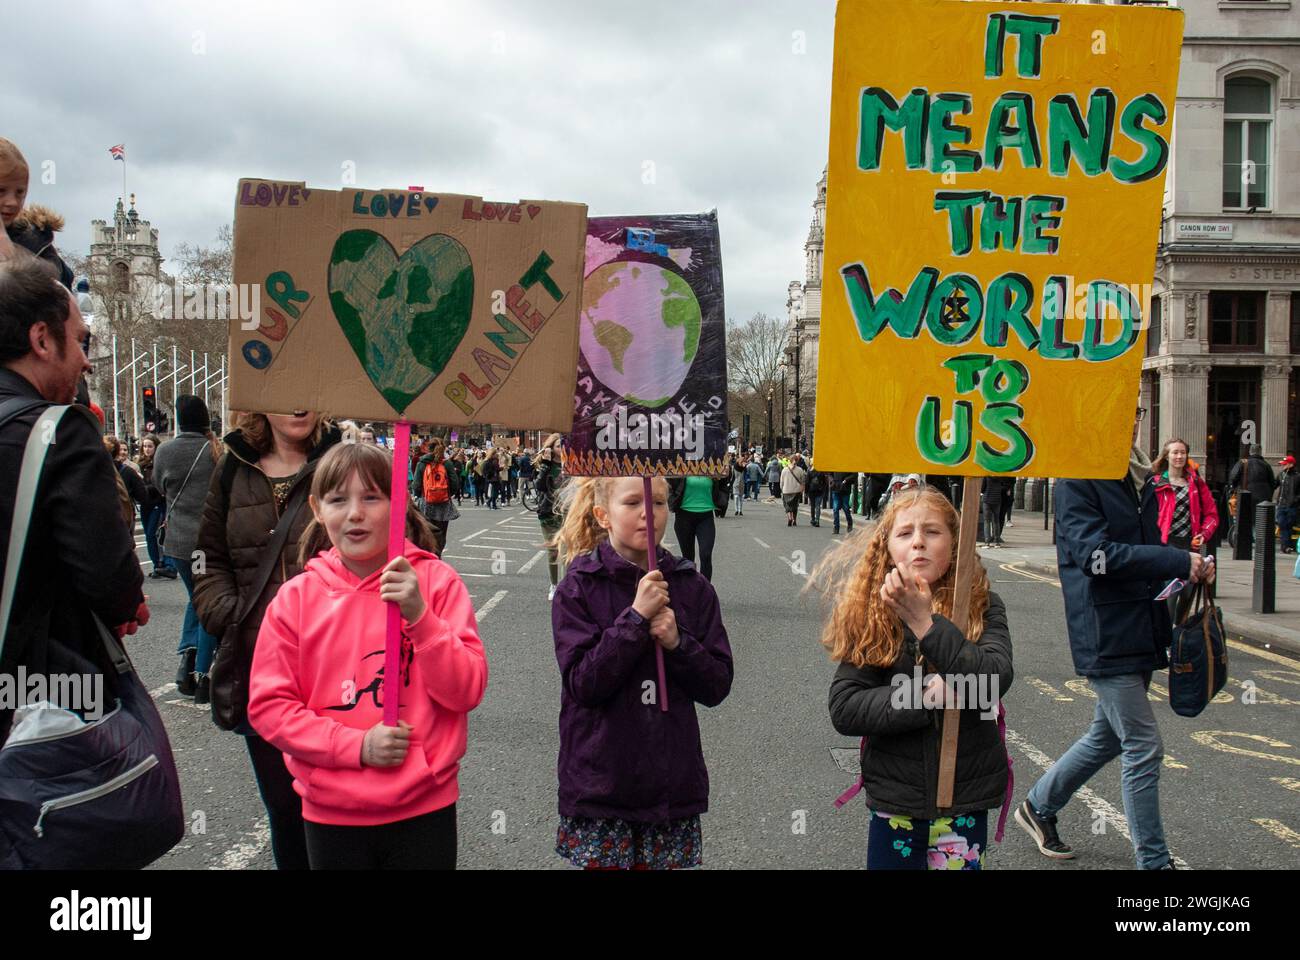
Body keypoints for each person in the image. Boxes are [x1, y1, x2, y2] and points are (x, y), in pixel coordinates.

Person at [248, 443, 486, 870]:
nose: (355, 513)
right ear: (318, 509)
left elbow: (465, 690)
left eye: (372, 497)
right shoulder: (295, 600)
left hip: (423, 806)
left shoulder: (435, 583)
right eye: (339, 499)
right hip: (332, 813)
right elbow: (270, 708)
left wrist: (421, 618)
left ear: (399, 504)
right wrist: (355, 746)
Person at [1017, 407, 1214, 870]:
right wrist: (1173, 560)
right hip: (1105, 631)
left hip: (1141, 624)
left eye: (1135, 413)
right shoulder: (1079, 478)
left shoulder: (1135, 473)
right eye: (1120, 414)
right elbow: (1095, 557)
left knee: (1106, 737)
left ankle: (1038, 806)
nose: (1130, 423)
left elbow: (1140, 553)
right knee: (1144, 745)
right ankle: (1155, 863)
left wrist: (1184, 567)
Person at [819, 486, 1012, 870]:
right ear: (888, 547)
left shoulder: (982, 603)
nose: (919, 542)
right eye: (905, 533)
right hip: (897, 802)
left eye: (933, 532)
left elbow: (992, 680)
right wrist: (922, 696)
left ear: (955, 543)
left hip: (963, 801)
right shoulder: (875, 611)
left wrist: (925, 624)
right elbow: (846, 708)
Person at [0, 251, 148, 745]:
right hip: (42, 691)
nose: (86, 360)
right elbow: (107, 573)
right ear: (42, 339)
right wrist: (127, 601)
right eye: (80, 341)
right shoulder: (59, 431)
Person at [550, 475, 733, 869]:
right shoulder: (579, 587)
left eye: (661, 503)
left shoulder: (692, 586)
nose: (649, 514)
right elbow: (583, 683)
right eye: (633, 503)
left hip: (669, 785)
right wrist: (634, 620)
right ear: (603, 515)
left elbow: (717, 684)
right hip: (602, 784)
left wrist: (678, 643)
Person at [193, 411, 341, 870]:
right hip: (260, 668)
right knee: (285, 810)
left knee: (339, 810)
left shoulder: (341, 458)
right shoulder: (233, 465)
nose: (296, 407)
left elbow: (397, 540)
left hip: (336, 668)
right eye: (283, 395)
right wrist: (226, 614)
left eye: (305, 395)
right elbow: (205, 556)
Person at [154, 396, 221, 700]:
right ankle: (201, 670)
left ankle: (188, 659)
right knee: (205, 602)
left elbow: (158, 486)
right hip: (204, 544)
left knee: (197, 598)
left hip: (178, 544)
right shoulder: (214, 450)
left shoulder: (165, 450)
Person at [1, 139, 75, 290]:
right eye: (1, 191)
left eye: (20, 192)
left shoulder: (35, 240)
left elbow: (57, 286)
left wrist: (13, 257)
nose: (13, 202)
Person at [1151, 438, 1218, 553]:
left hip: (1189, 545)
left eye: (1183, 452)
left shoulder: (1196, 483)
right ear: (1167, 456)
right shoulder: (1155, 483)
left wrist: (1204, 534)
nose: (1179, 456)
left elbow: (1211, 514)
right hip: (1162, 544)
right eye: (1175, 452)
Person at [668, 473, 728, 582]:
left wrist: (733, 469)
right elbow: (669, 484)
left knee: (706, 554)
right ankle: (691, 590)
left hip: (706, 516)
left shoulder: (711, 466)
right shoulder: (683, 466)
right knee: (688, 558)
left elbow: (726, 480)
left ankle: (705, 591)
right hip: (683, 516)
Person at [137, 434, 176, 580]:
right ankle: (157, 565)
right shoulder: (140, 464)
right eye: (145, 446)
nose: (147, 449)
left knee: (156, 534)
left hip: (158, 503)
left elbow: (161, 484)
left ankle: (167, 564)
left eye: (150, 446)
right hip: (146, 504)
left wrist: (144, 488)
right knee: (149, 536)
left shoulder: (161, 463)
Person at [534, 433, 566, 600]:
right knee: (553, 551)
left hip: (568, 512)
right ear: (551, 449)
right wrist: (545, 464)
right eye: (558, 446)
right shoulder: (545, 465)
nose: (562, 449)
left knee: (569, 551)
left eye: (564, 445)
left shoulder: (572, 464)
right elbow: (539, 486)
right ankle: (554, 584)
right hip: (548, 513)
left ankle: (567, 585)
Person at [417, 437, 459, 557]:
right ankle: (437, 556)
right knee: (440, 534)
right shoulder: (447, 464)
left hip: (426, 503)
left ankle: (427, 556)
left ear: (428, 448)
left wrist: (422, 494)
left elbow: (416, 485)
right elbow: (455, 483)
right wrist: (446, 494)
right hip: (444, 504)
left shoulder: (422, 463)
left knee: (426, 533)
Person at [1228, 444, 1276, 546]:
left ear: (1250, 451)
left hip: (1246, 496)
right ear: (1260, 452)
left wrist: (1233, 489)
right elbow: (1273, 483)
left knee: (1245, 519)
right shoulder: (1266, 465)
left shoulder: (1243, 463)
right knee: (1260, 521)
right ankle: (1259, 541)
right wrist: (1269, 496)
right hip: (1264, 498)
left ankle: (1245, 540)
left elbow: (1233, 478)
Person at [1276, 455, 1298, 554]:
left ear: (1291, 465)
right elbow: (1274, 484)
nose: (1283, 466)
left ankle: (1287, 546)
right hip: (1281, 505)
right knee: (1282, 524)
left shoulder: (1297, 476)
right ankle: (1286, 546)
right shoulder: (1281, 475)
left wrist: (1295, 500)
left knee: (1289, 526)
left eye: (1285, 464)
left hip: (1292, 506)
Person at [780, 455, 807, 526]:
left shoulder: (784, 470)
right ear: (797, 461)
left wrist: (782, 489)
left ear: (790, 460)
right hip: (796, 490)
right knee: (795, 506)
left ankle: (789, 518)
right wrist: (802, 489)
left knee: (787, 506)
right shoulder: (800, 470)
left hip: (786, 490)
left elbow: (781, 482)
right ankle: (794, 520)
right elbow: (803, 481)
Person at [980, 476, 1006, 548]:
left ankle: (987, 542)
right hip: (997, 500)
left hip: (987, 500)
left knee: (987, 521)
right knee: (996, 521)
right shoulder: (999, 475)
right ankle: (997, 542)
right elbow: (1003, 487)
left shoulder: (986, 476)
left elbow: (982, 489)